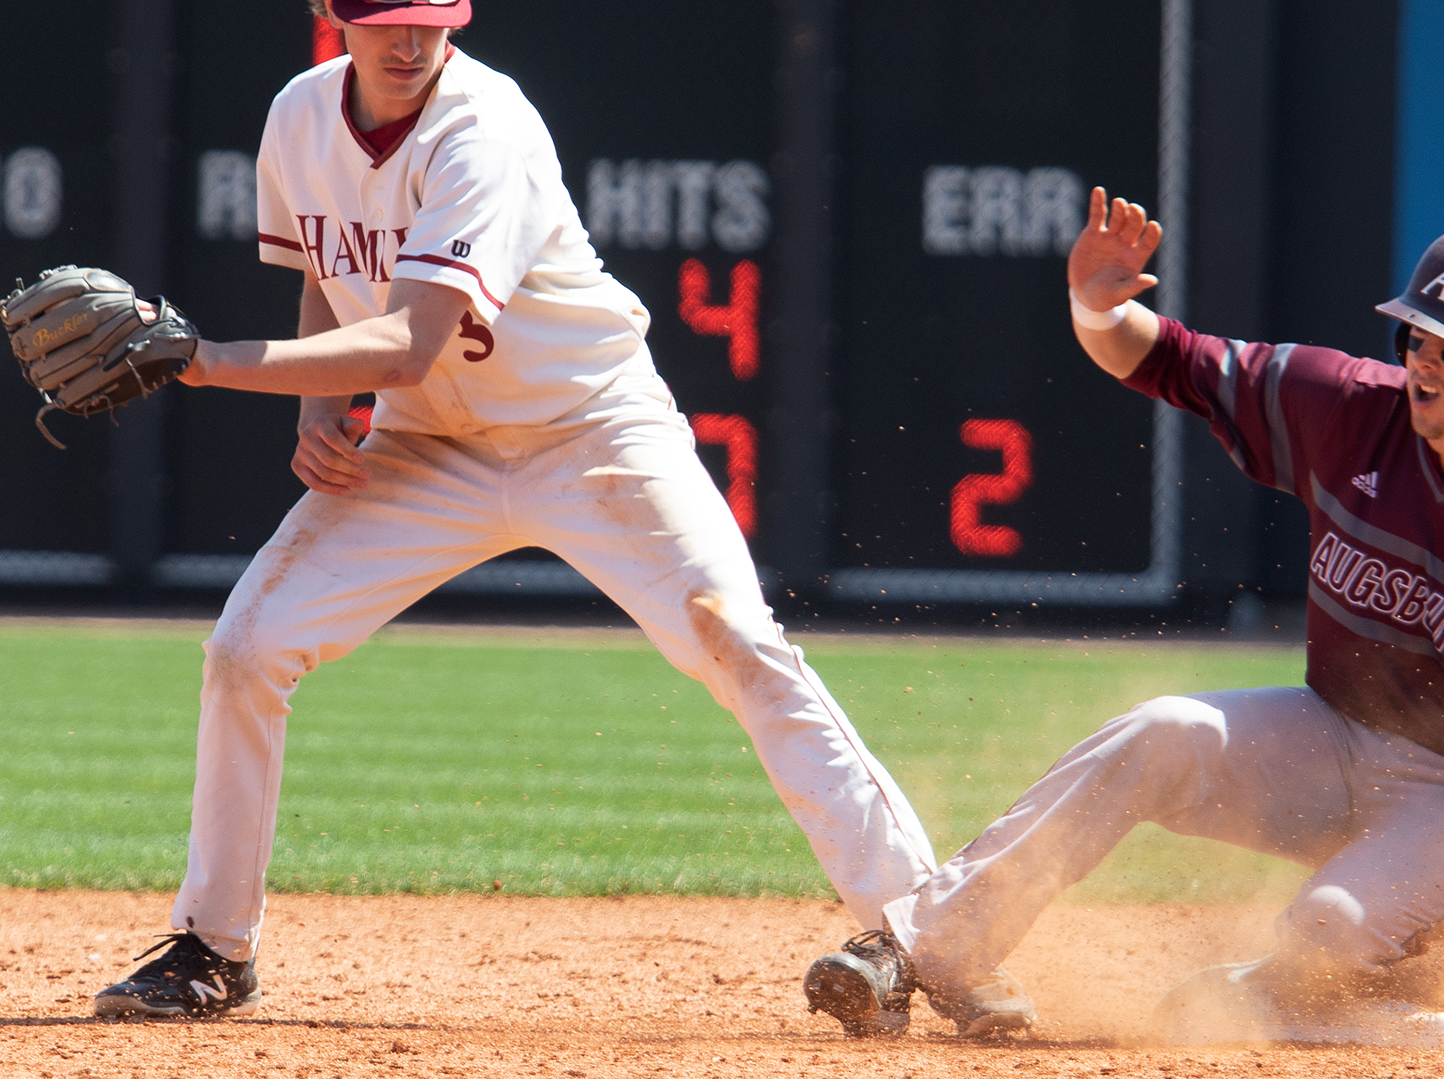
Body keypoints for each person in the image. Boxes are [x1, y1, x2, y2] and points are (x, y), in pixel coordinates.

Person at [92, 0, 936, 1019]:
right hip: (424, 447)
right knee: (247, 648)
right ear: (332, 14)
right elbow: (329, 275)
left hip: (589, 427)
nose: (412, 43)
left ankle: (934, 936)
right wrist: (321, 408)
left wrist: (205, 361)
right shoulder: (299, 115)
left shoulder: (484, 126)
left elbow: (409, 342)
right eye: (387, 20)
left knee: (736, 639)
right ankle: (214, 949)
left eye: (433, 18)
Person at [802, 190, 1444, 1047]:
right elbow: (1170, 358)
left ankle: (1314, 986)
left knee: (1331, 929)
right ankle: (926, 949)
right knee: (1160, 731)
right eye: (1414, 339)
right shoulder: (1352, 409)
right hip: (1330, 735)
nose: (1422, 365)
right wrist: (1097, 308)